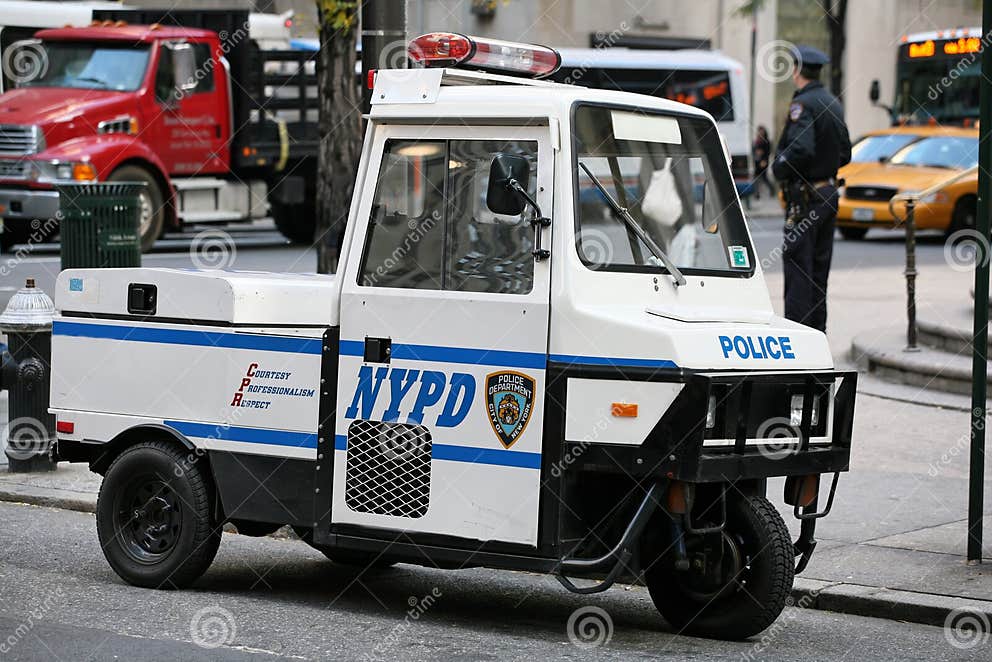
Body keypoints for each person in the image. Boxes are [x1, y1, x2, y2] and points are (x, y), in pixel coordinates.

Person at [772, 44, 851, 333]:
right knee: (819, 275)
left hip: (804, 200)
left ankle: (798, 345)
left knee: (798, 275)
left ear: (796, 71)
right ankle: (818, 339)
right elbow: (846, 153)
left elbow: (800, 150)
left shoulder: (802, 104)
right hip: (828, 195)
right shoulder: (833, 102)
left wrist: (778, 167)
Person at [752, 126, 775, 199]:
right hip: (757, 162)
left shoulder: (766, 141)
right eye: (759, 131)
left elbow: (768, 152)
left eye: (762, 131)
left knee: (764, 178)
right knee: (756, 178)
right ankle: (757, 194)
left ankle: (772, 189)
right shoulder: (757, 141)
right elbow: (754, 150)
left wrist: (764, 160)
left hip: (763, 161)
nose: (760, 133)